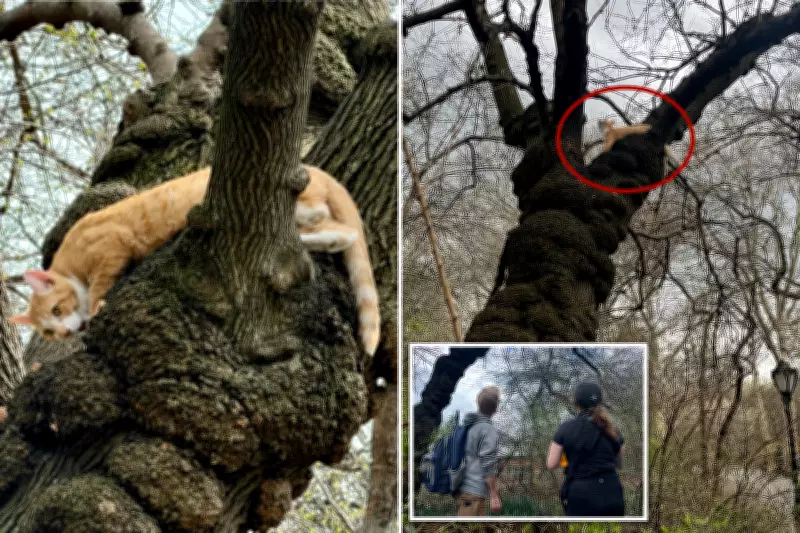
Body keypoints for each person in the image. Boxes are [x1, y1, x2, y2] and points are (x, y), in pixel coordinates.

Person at [546, 381, 625, 517]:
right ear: (600, 402)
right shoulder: (612, 429)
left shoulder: (566, 428)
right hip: (612, 492)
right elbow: (619, 463)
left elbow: (551, 463)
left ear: (576, 403)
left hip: (581, 495)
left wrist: (567, 460)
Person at [455, 384, 503, 516]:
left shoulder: (469, 426)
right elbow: (488, 464)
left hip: (463, 490)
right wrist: (494, 495)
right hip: (473, 494)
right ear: (495, 407)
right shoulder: (488, 430)